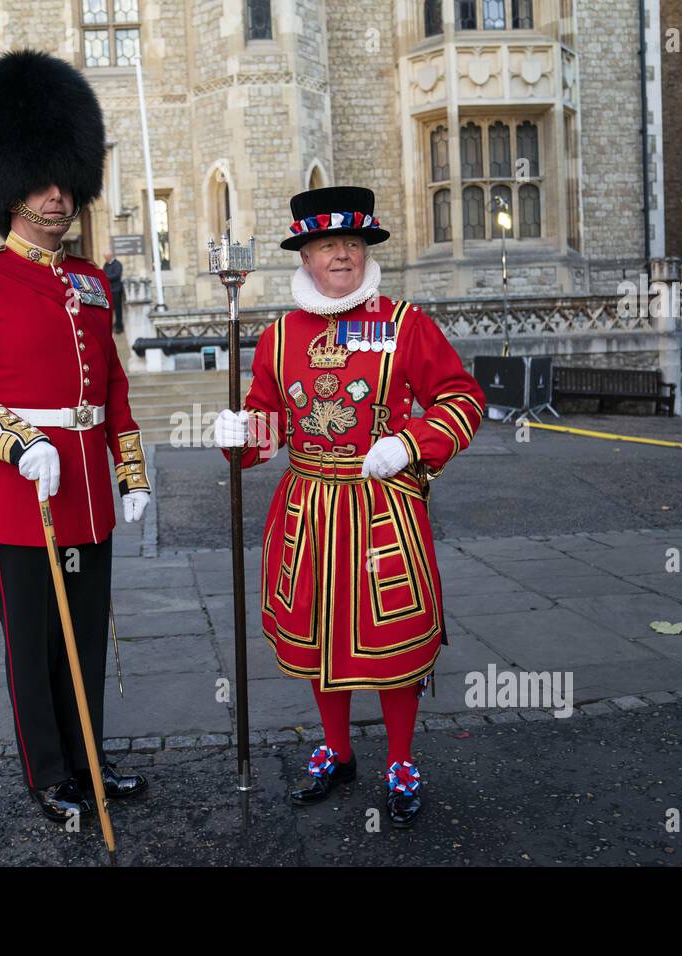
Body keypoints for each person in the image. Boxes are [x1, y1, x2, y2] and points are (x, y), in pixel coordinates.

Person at [0, 49, 151, 825]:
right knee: (34, 644)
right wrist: (18, 442)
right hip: (24, 492)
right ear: (9, 185)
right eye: (42, 184)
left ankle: (89, 758)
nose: (58, 199)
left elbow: (111, 385)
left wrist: (133, 471)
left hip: (87, 488)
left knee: (86, 636)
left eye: (67, 184)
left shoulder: (88, 280)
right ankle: (49, 773)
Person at [214, 186, 485, 828]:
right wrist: (238, 436)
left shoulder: (404, 325)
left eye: (354, 244)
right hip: (307, 509)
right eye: (328, 244)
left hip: (383, 510)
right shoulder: (280, 336)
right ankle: (337, 750)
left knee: (391, 638)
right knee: (315, 634)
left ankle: (398, 758)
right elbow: (266, 424)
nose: (343, 255)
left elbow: (463, 400)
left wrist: (410, 442)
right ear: (305, 254)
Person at [103, 250, 125, 334]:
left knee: (118, 309)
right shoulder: (106, 264)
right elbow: (103, 272)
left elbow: (116, 275)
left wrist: (105, 277)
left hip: (116, 290)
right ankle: (111, 325)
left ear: (110, 256)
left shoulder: (117, 264)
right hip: (108, 290)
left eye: (106, 257)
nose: (105, 259)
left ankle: (119, 326)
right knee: (109, 309)